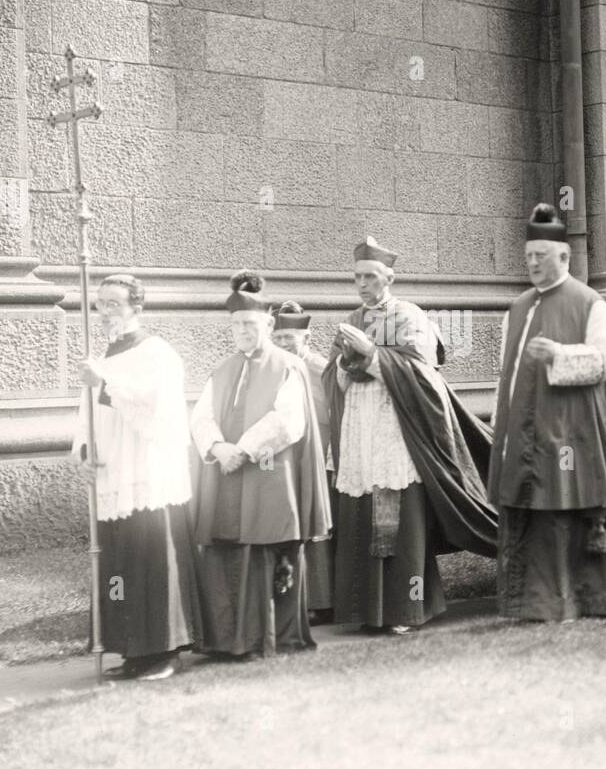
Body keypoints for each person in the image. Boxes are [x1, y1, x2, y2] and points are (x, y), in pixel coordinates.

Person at [323, 238, 497, 634]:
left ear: (390, 278)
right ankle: (368, 610)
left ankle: (405, 609)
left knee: (396, 517)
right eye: (357, 278)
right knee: (362, 514)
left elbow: (424, 374)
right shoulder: (352, 317)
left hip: (395, 431)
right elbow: (332, 375)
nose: (362, 285)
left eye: (370, 277)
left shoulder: (410, 316)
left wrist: (372, 357)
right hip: (360, 430)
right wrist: (343, 368)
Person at [489, 204, 606, 619]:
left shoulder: (589, 302)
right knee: (530, 513)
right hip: (523, 432)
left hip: (572, 434)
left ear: (564, 257)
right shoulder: (518, 306)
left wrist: (559, 355)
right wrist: (500, 423)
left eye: (540, 257)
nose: (532, 264)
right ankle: (531, 605)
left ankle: (585, 600)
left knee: (564, 512)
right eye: (528, 257)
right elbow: (505, 373)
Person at [190, 272, 331, 658]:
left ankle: (265, 640)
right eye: (236, 324)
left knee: (264, 548)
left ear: (267, 324)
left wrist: (244, 449)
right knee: (224, 550)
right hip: (226, 471)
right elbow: (201, 416)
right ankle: (224, 641)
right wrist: (217, 446)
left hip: (268, 471)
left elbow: (288, 421)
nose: (242, 331)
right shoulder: (222, 369)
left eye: (249, 324)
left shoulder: (287, 365)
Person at [71, 274, 203, 681]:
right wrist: (85, 452)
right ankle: (130, 647)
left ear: (137, 309)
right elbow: (88, 415)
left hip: (148, 474)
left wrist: (105, 384)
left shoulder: (156, 352)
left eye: (115, 303)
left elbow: (157, 409)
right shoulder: (104, 356)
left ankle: (163, 650)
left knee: (152, 563)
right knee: (118, 568)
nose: (106, 311)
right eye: (101, 303)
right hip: (113, 473)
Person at [270, 300, 335, 622]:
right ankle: (290, 599)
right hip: (284, 459)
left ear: (306, 339)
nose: (282, 345)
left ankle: (320, 602)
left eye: (289, 339)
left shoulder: (320, 368)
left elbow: (333, 416)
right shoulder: (272, 368)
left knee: (315, 525)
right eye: (277, 339)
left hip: (318, 456)